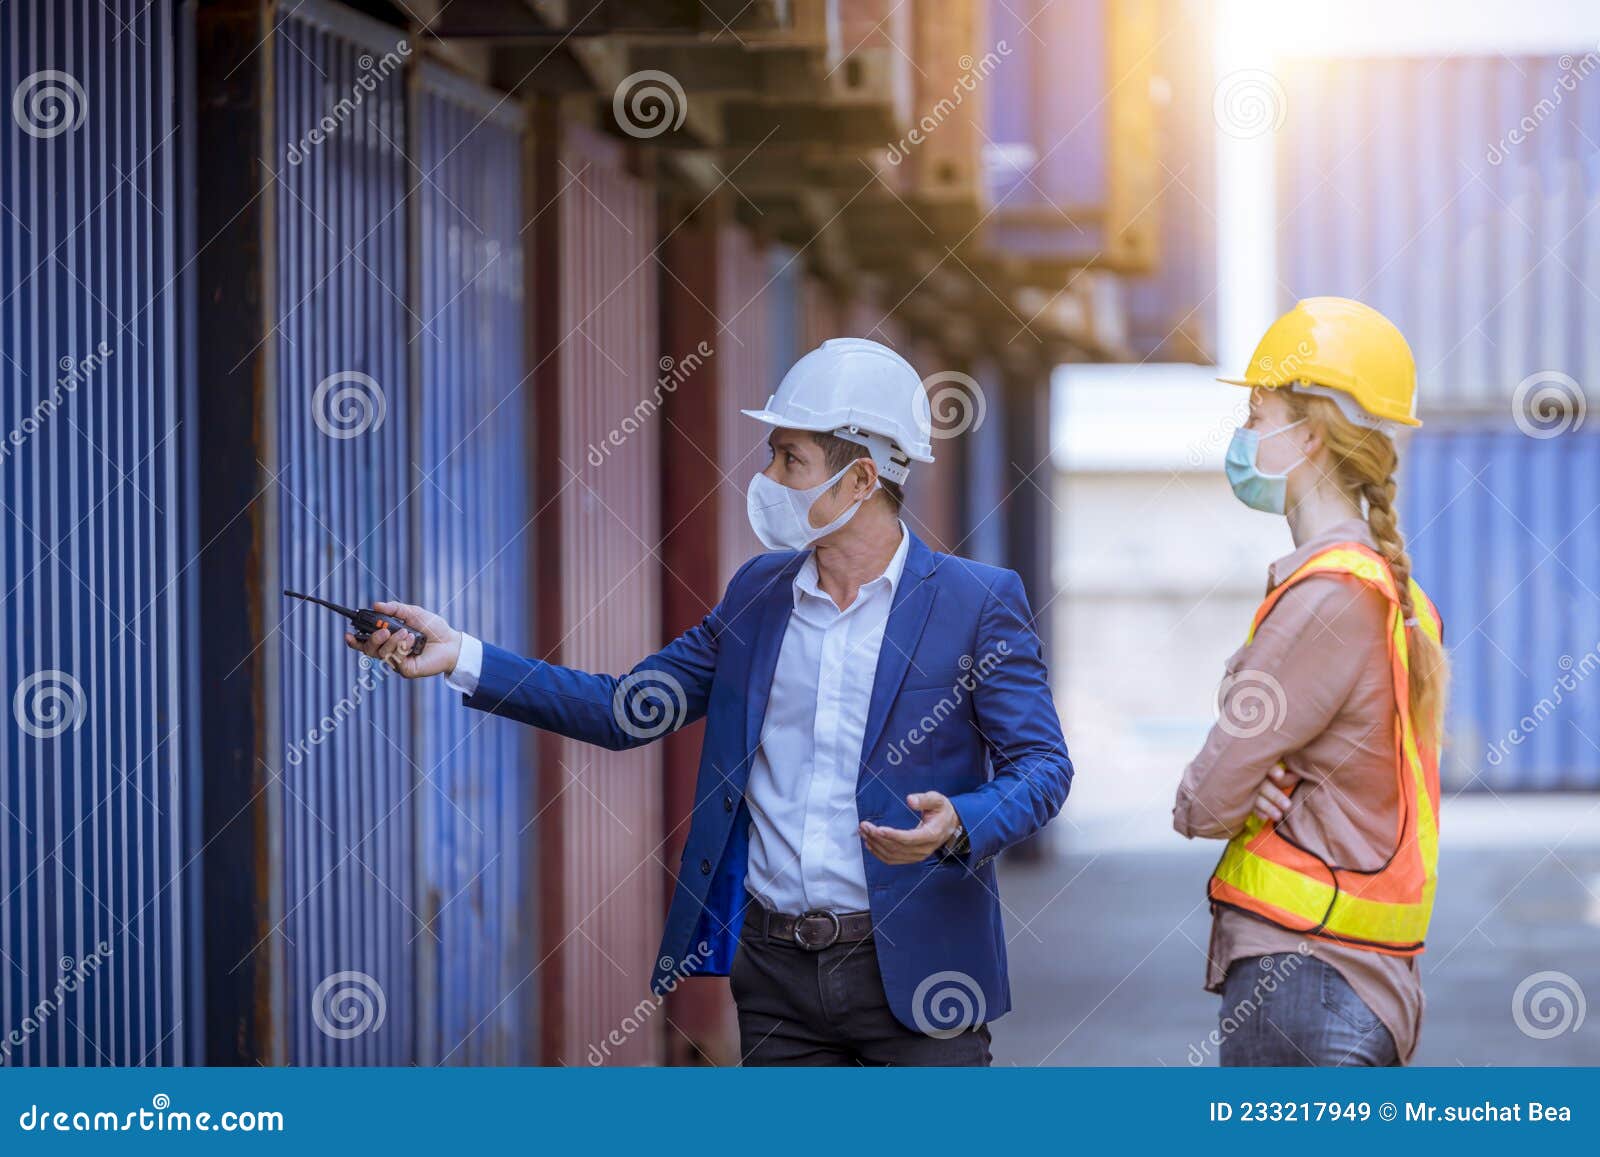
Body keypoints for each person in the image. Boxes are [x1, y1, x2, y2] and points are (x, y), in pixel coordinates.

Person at [347, 337, 1073, 1066]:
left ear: (860, 479)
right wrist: (462, 655)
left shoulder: (976, 602)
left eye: (790, 459)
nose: (766, 475)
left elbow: (1042, 765)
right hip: (777, 982)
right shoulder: (757, 595)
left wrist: (960, 822)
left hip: (922, 976)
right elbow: (624, 708)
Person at [1173, 298, 1449, 1067]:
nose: (1243, 436)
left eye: (1257, 414)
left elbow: (1203, 800)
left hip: (1304, 976)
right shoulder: (1391, 593)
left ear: (1310, 437)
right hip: (1359, 977)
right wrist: (1253, 774)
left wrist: (1242, 783)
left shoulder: (1330, 595)